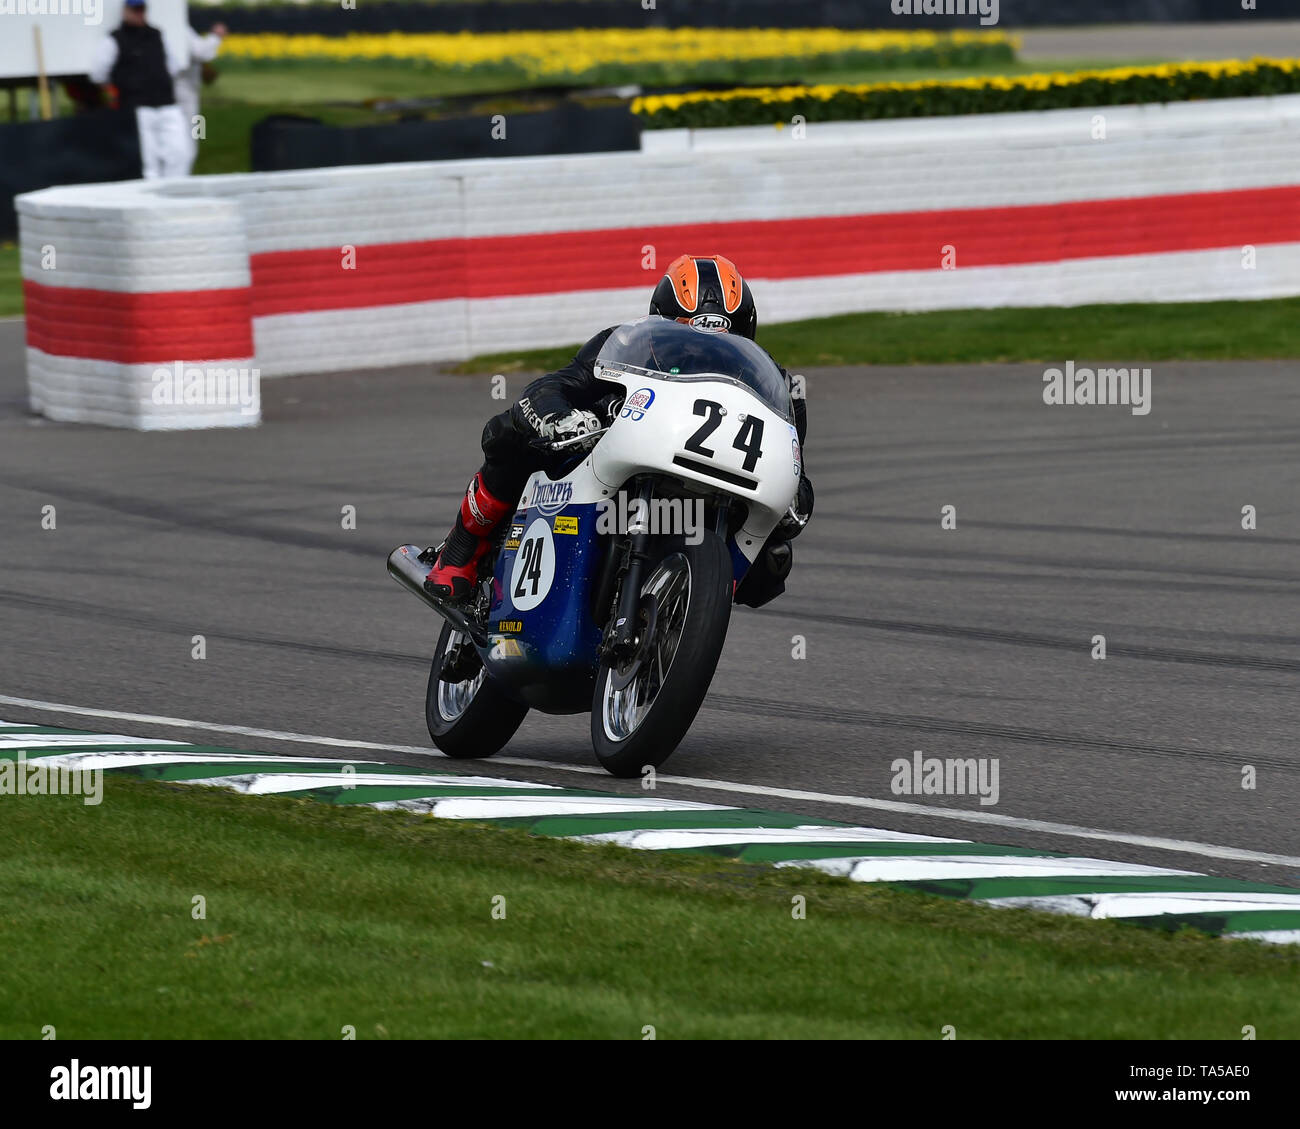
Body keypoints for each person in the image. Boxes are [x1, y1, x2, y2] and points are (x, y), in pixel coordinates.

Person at [424, 254, 814, 609]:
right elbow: (550, 388)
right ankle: (461, 548)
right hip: (616, 467)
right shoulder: (629, 343)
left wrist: (797, 494)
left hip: (714, 499)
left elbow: (791, 464)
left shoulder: (777, 387)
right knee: (509, 433)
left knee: (775, 559)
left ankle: (682, 618)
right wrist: (562, 418)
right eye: (690, 342)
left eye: (723, 343)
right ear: (662, 324)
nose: (705, 355)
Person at [88, 0, 189, 179]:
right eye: (135, 10)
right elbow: (98, 73)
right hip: (137, 107)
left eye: (141, 10)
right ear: (125, 11)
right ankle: (152, 199)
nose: (139, 14)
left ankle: (175, 194)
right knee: (147, 161)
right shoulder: (115, 38)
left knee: (179, 153)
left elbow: (173, 66)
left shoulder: (156, 34)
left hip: (166, 102)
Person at [175, 22, 227, 174]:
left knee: (192, 132)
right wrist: (216, 36)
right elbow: (200, 52)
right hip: (185, 91)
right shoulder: (177, 25)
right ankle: (182, 175)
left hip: (182, 88)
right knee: (191, 135)